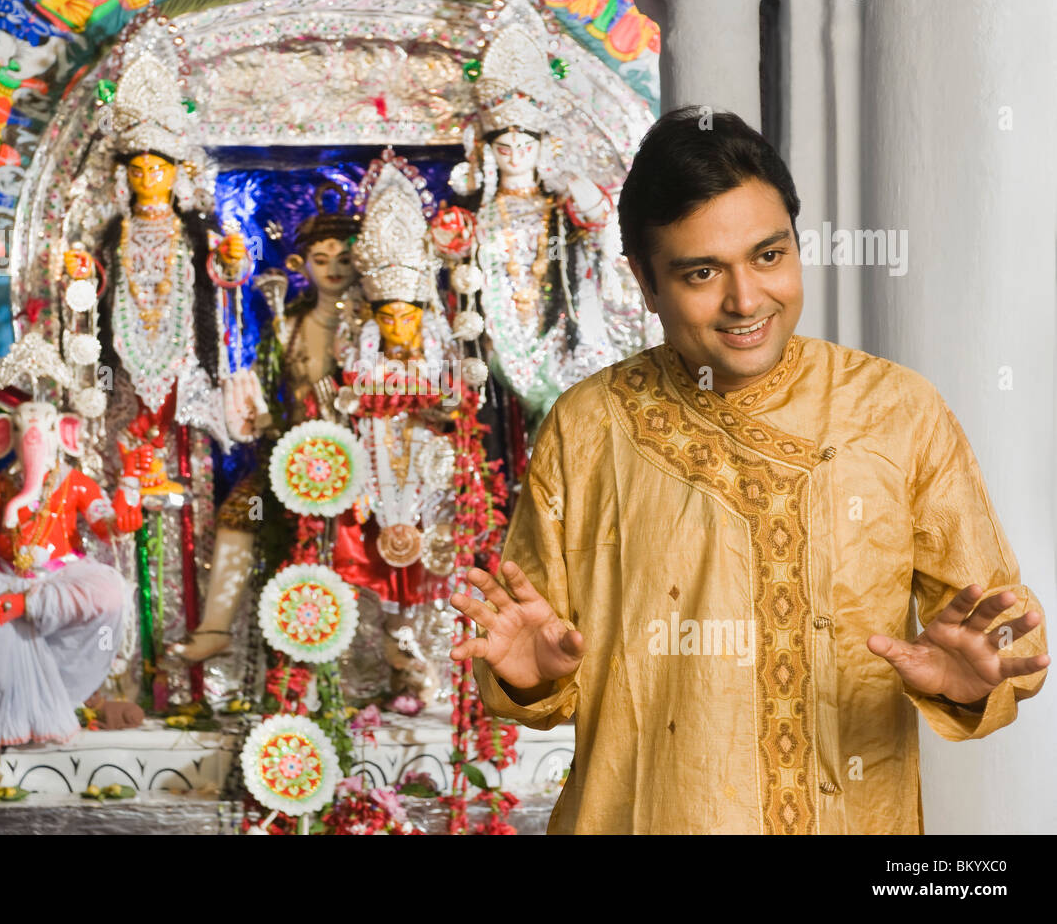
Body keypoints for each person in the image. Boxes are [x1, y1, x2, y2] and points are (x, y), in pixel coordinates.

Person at [449, 106, 1050, 834]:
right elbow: (530, 663)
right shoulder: (588, 426)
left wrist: (968, 682)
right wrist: (528, 673)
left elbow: (1005, 641)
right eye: (702, 272)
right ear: (644, 280)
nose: (745, 300)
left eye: (769, 256)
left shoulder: (898, 411)